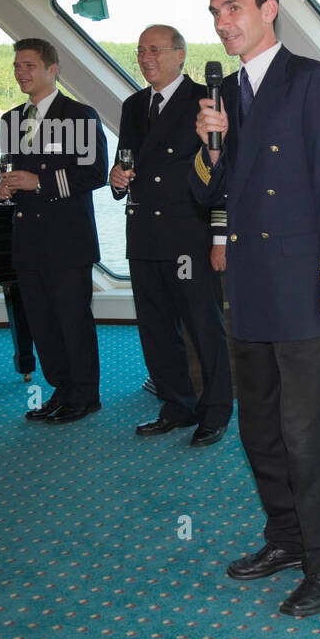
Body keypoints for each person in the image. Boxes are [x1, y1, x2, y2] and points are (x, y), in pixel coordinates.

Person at [190, 0, 320, 619]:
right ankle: (286, 538)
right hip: (249, 290)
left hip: (303, 290)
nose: (222, 22)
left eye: (233, 8)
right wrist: (211, 145)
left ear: (269, 9)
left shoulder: (312, 83)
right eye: (214, 13)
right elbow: (208, 191)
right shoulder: (225, 96)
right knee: (260, 430)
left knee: (307, 434)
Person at [112, 24, 232, 448]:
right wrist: (116, 178)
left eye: (156, 50)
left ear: (180, 55)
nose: (147, 58)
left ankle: (216, 411)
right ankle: (176, 404)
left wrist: (220, 238)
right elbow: (125, 163)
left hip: (189, 233)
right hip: (143, 232)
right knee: (156, 328)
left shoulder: (205, 100)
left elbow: (221, 173)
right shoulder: (132, 106)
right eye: (141, 51)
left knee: (204, 327)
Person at [0, 37, 107, 425]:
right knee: (42, 323)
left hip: (67, 239)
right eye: (17, 66)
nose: (21, 72)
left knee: (71, 320)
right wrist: (3, 187)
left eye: (28, 65)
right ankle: (60, 389)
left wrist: (38, 181)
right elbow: (6, 170)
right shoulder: (11, 119)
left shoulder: (79, 115)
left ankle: (85, 395)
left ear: (51, 70)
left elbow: (94, 174)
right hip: (27, 241)